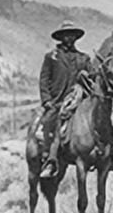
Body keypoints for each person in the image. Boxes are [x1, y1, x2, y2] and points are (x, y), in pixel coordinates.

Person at [38, 21, 92, 178]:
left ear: (76, 37)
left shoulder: (84, 58)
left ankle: (107, 156)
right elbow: (44, 79)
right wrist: (47, 100)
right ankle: (50, 160)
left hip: (81, 101)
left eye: (72, 35)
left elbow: (94, 76)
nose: (69, 38)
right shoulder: (51, 57)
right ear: (60, 37)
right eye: (66, 35)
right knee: (51, 123)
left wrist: (87, 76)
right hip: (58, 100)